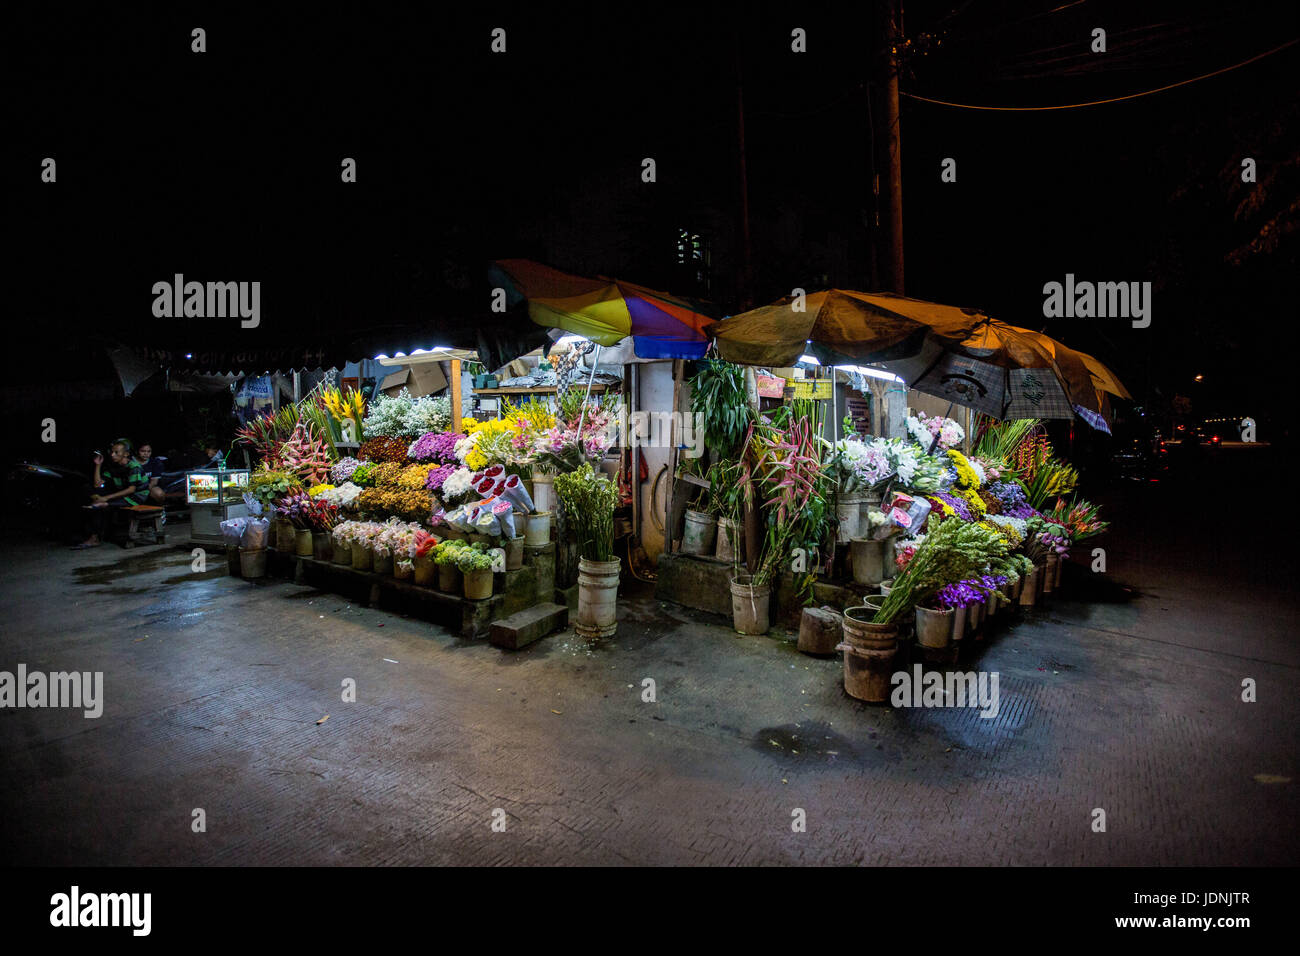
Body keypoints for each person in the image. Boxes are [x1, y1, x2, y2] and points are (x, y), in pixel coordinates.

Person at [74, 442, 147, 548]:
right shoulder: (113, 467)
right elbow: (98, 484)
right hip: (121, 495)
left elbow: (131, 490)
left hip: (136, 497)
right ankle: (95, 535)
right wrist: (98, 465)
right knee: (89, 490)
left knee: (102, 504)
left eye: (116, 452)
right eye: (112, 452)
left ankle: (95, 536)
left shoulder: (134, 467)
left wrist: (105, 498)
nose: (112, 455)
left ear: (126, 454)